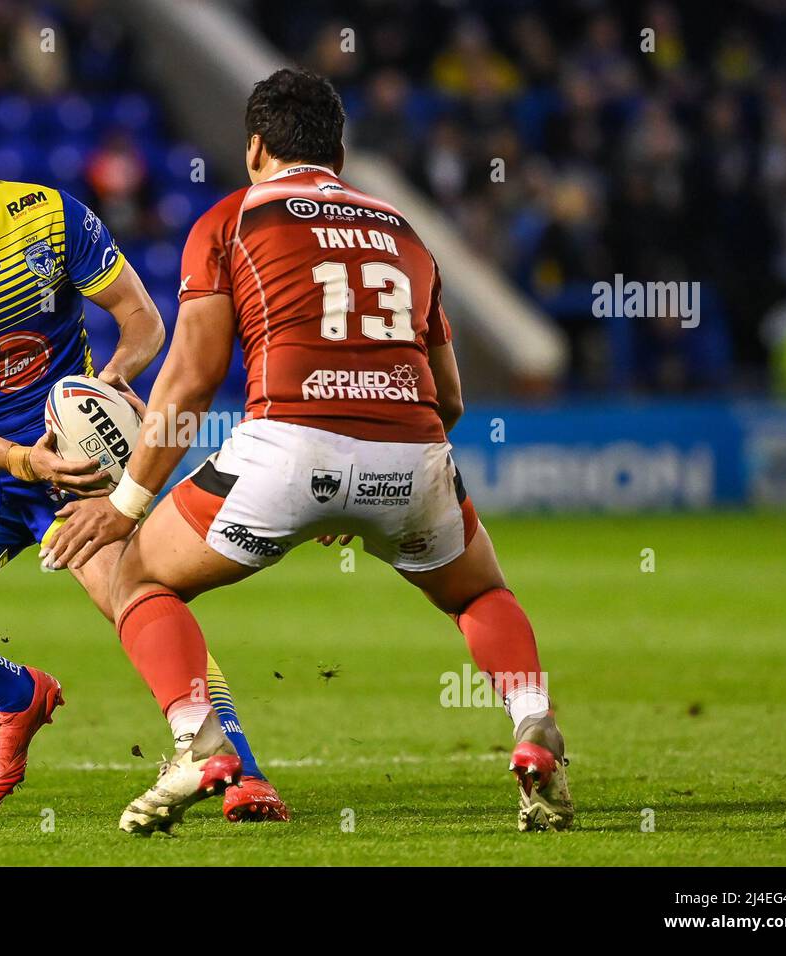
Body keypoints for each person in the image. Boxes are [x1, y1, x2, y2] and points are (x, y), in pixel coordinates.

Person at [49, 68, 574, 835]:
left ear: (257, 145)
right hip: (413, 454)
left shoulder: (230, 220)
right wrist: (363, 473)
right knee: (479, 594)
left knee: (133, 578)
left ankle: (200, 743)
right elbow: (450, 398)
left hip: (285, 452)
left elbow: (191, 384)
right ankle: (535, 727)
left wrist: (126, 505)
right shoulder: (404, 232)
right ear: (339, 151)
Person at [0, 74, 287, 821]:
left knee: (140, 601)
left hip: (74, 470)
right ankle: (17, 693)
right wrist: (19, 459)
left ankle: (244, 773)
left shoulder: (46, 217)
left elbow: (143, 321)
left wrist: (103, 388)